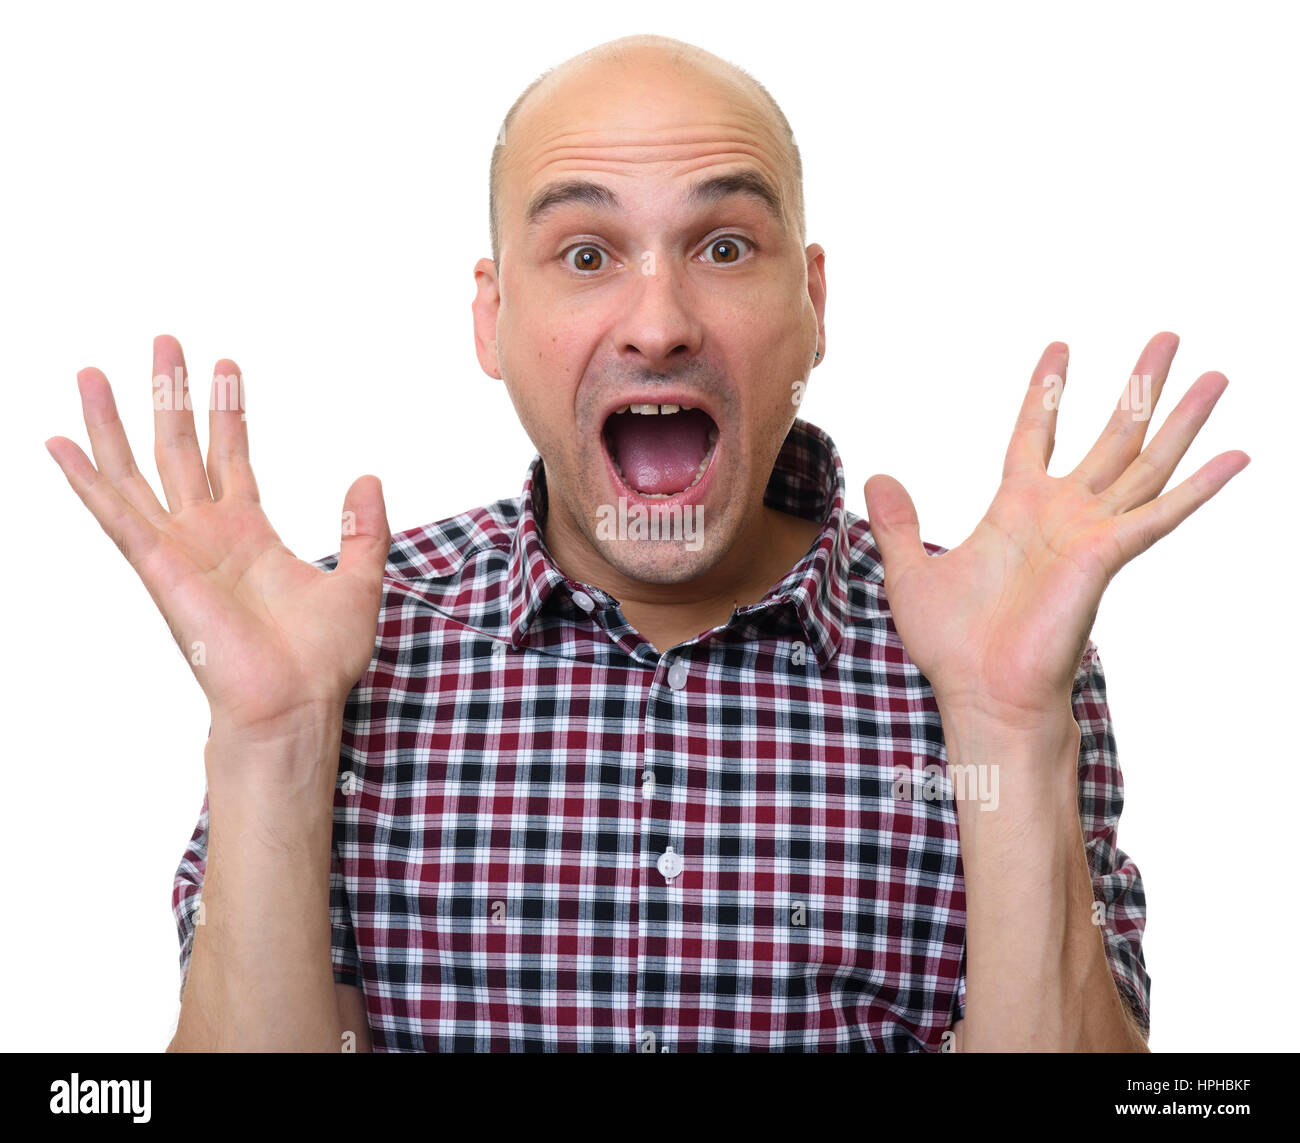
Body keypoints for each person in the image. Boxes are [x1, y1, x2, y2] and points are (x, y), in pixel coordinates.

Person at [45, 33, 1248, 1052]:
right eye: (585, 255)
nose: (661, 324)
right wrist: (272, 742)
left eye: (724, 247)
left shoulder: (1000, 650)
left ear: (813, 303)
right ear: (493, 316)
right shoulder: (333, 652)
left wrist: (1008, 727)